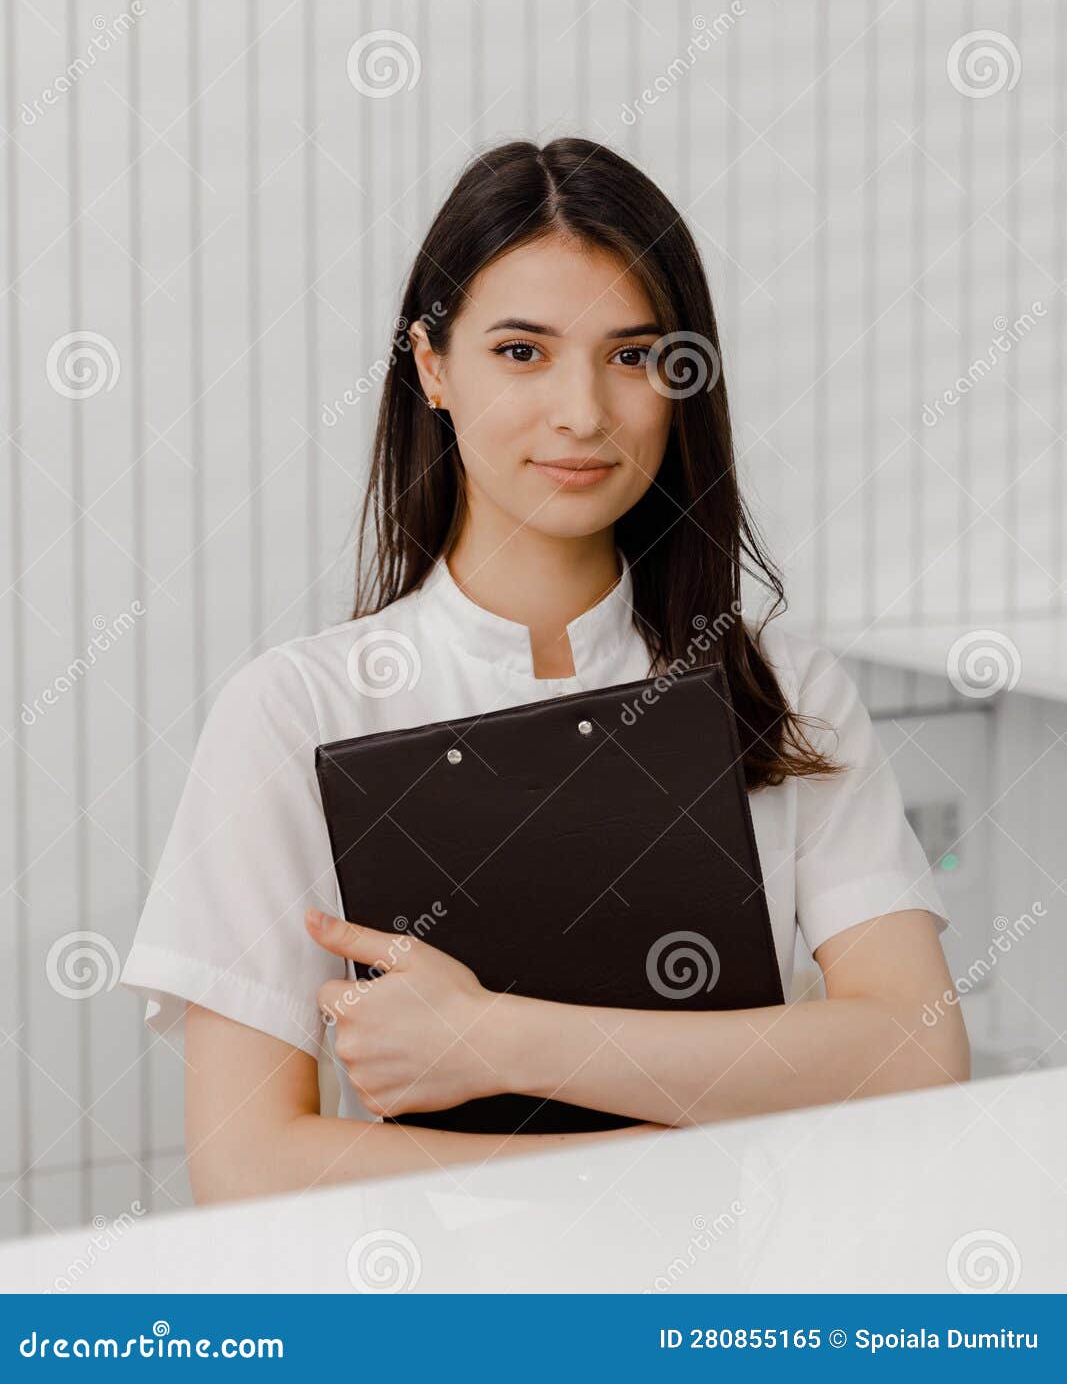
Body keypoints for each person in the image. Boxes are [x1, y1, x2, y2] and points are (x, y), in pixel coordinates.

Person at [119, 137, 969, 1205]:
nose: (582, 412)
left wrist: (497, 1040)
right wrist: (672, 1158)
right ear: (430, 366)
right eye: (521, 351)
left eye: (631, 355)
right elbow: (247, 1168)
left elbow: (915, 1053)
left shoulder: (780, 691)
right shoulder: (297, 711)